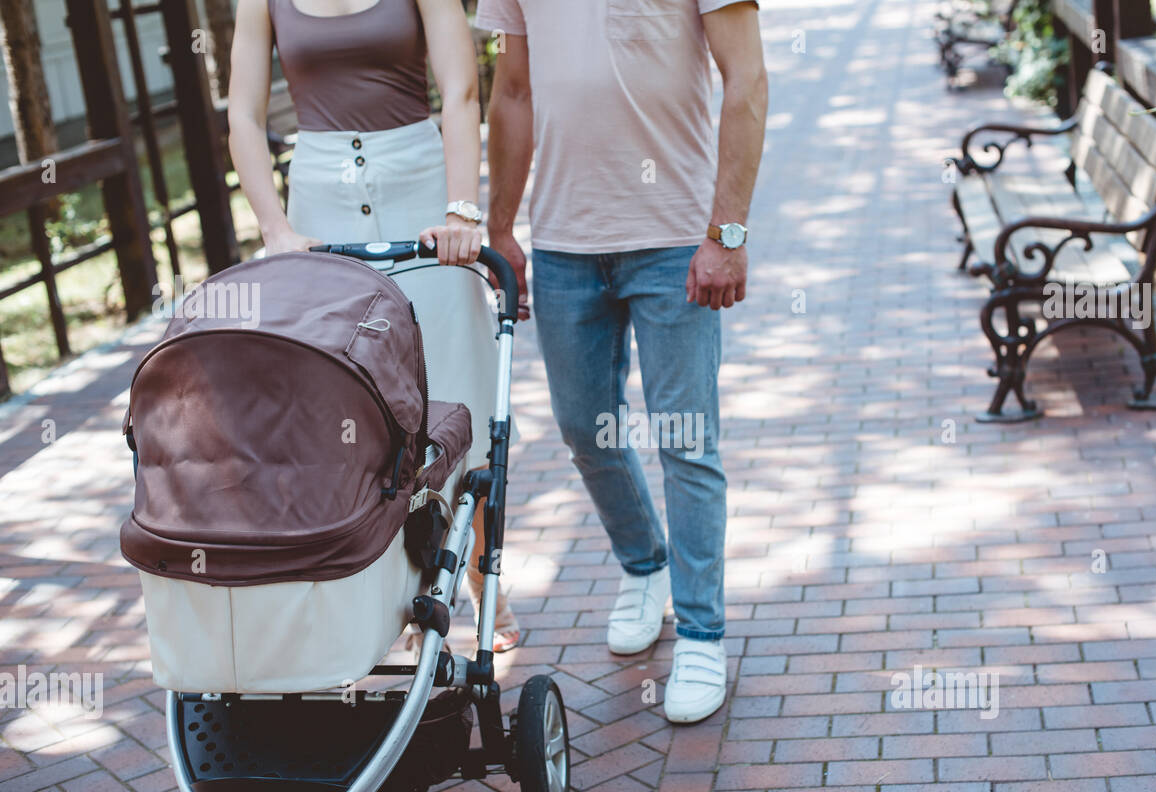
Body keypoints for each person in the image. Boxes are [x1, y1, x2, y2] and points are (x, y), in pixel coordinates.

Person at [475, 0, 767, 722]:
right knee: (582, 427)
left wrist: (726, 233)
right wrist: (500, 225)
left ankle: (702, 631)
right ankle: (646, 564)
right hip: (564, 239)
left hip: (675, 235)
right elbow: (513, 88)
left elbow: (748, 79)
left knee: (686, 441)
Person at [227, 0, 521, 651]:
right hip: (320, 202)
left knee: (454, 380)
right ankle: (409, 592)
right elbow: (242, 115)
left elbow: (461, 87)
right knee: (359, 406)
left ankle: (479, 571)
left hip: (421, 187)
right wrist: (274, 228)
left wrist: (461, 208)